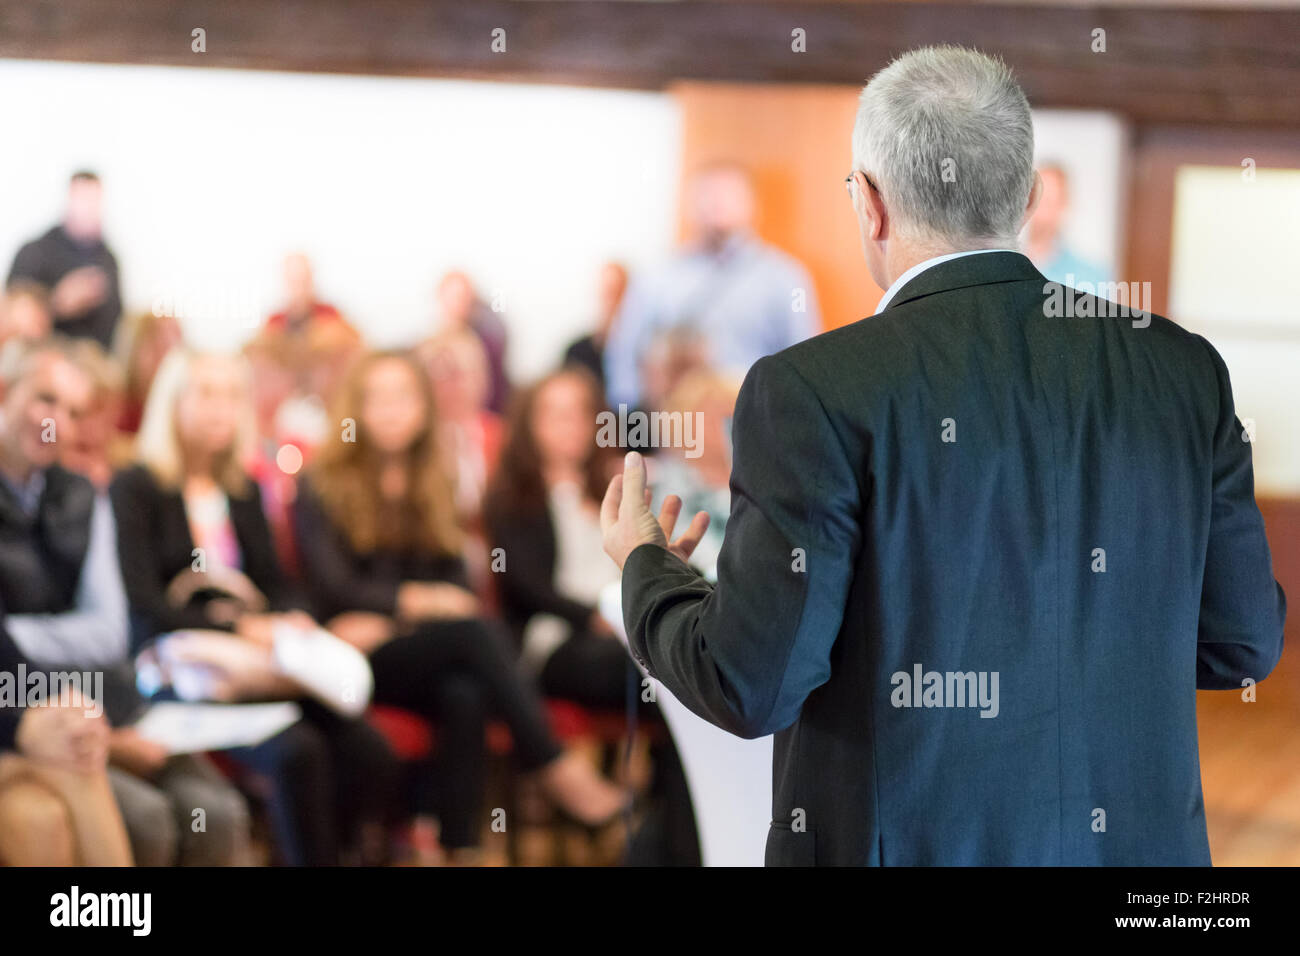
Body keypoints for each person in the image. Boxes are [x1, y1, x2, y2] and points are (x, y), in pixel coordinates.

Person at [600, 45, 1286, 866]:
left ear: (873, 204)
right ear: (1027, 199)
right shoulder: (1181, 369)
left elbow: (754, 682)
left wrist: (648, 567)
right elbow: (1241, 642)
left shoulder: (811, 389)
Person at [293, 350, 627, 861]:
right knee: (475, 634)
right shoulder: (320, 483)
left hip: (411, 645)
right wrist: (418, 601)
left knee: (465, 691)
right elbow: (335, 588)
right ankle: (552, 763)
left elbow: (453, 579)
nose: (390, 410)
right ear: (354, 408)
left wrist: (402, 613)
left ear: (424, 407)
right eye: (376, 398)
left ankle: (457, 848)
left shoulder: (435, 480)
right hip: (347, 652)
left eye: (403, 397)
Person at [110, 349, 399, 866]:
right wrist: (241, 625)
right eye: (206, 395)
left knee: (368, 748)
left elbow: (277, 582)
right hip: (185, 671)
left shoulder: (242, 490)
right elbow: (144, 606)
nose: (220, 410)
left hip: (257, 666)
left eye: (230, 397)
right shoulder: (137, 487)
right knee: (300, 751)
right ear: (172, 403)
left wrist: (288, 616)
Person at [484, 366, 701, 864]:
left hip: (623, 627)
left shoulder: (614, 487)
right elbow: (528, 586)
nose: (567, 426)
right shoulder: (513, 496)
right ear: (530, 423)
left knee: (682, 681)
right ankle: (659, 841)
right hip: (556, 641)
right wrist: (595, 616)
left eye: (578, 414)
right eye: (553, 414)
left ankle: (674, 836)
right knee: (662, 683)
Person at [0, 339, 134, 865]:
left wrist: (40, 711)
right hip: (23, 701)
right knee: (48, 804)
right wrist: (25, 720)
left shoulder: (76, 494)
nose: (56, 422)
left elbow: (109, 633)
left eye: (74, 412)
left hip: (30, 692)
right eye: (45, 400)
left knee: (48, 808)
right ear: (6, 392)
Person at [602, 162, 819, 411]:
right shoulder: (656, 278)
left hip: (754, 422)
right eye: (707, 195)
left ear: (753, 205)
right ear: (689, 205)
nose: (717, 205)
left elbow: (804, 361)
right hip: (673, 426)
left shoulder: (789, 279)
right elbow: (625, 352)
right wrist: (631, 419)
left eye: (729, 195)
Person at [7, 171, 122, 349]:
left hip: (94, 358)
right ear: (69, 199)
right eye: (82, 199)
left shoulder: (109, 260)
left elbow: (116, 320)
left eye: (93, 200)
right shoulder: (35, 253)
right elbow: (13, 315)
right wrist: (57, 302)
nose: (87, 208)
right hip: (41, 356)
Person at [431, 271, 510, 416]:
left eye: (460, 297)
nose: (456, 303)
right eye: (451, 297)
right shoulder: (430, 343)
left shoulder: (490, 342)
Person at [1022, 162, 1110, 290]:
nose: (1037, 210)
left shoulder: (1090, 277)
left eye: (1047, 202)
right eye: (1032, 198)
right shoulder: (999, 266)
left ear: (1063, 207)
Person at [562, 261, 628, 391]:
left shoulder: (642, 353)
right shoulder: (577, 352)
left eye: (618, 292)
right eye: (608, 292)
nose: (612, 301)